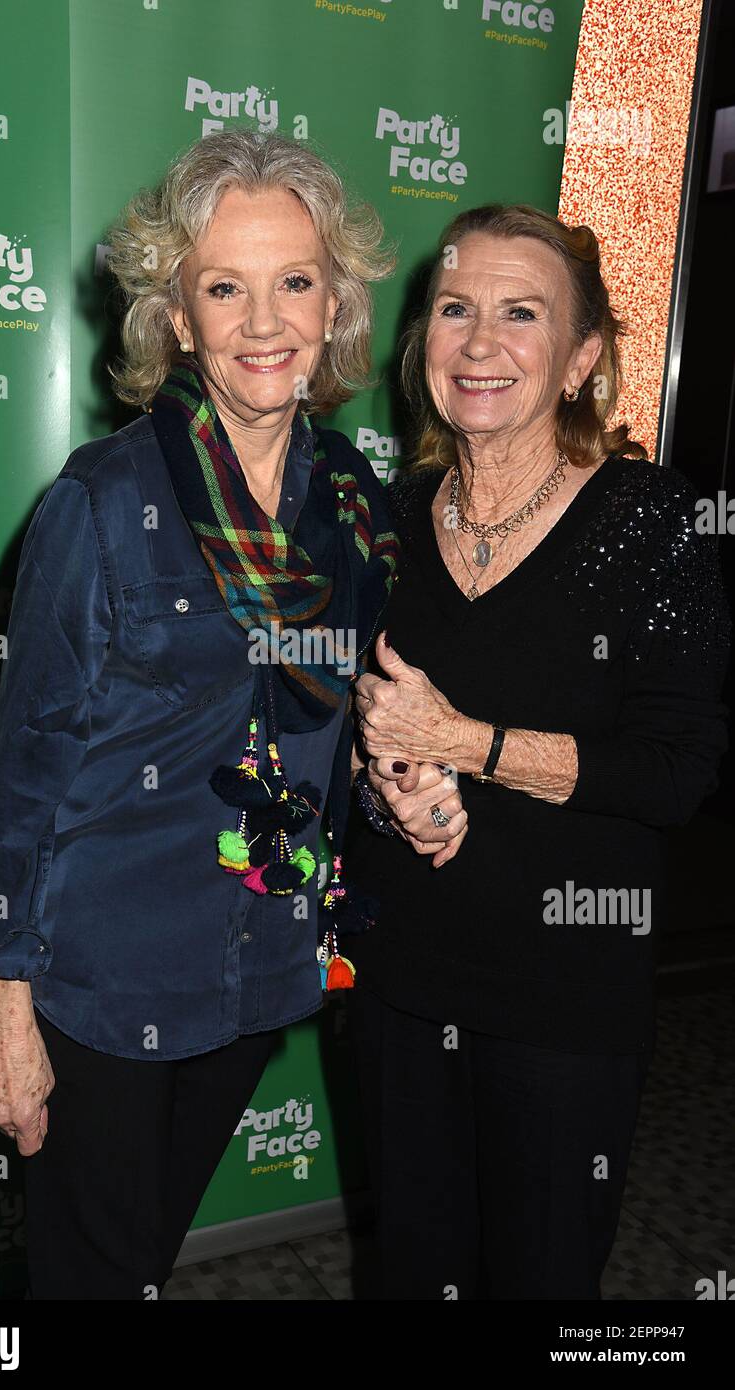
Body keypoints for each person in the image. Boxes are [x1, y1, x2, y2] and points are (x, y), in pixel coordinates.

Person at [0, 128, 436, 1300]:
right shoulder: (104, 501)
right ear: (176, 316)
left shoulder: (354, 502)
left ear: (335, 306)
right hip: (103, 981)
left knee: (143, 1262)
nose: (265, 322)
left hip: (258, 969)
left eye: (295, 282)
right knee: (94, 1278)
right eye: (225, 288)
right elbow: (22, 774)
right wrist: (5, 1008)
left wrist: (408, 773)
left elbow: (349, 713)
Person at [343, 203, 731, 1300]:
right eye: (454, 309)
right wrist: (386, 781)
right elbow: (360, 733)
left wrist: (466, 744)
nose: (479, 342)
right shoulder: (388, 517)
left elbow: (677, 773)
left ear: (581, 358)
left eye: (522, 313)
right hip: (402, 983)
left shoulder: (650, 520)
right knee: (411, 1274)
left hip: (565, 1001)